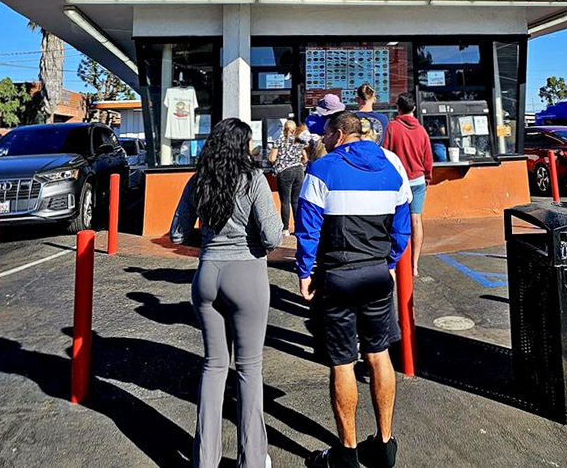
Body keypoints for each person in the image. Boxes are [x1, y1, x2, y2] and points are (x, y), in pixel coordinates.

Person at [295, 111, 411, 468]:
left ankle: (346, 454)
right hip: (377, 274)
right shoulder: (393, 170)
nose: (323, 141)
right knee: (379, 356)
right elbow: (402, 229)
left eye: (327, 135)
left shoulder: (323, 170)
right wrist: (389, 264)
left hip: (338, 277)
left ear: (341, 134)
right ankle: (385, 444)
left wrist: (303, 271)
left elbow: (308, 229)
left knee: (343, 363)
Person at [170, 118, 283, 468]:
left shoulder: (199, 180)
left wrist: (205, 243)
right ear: (241, 146)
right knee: (249, 370)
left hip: (207, 275)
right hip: (246, 274)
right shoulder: (253, 180)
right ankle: (251, 458)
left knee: (213, 366)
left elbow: (177, 234)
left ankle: (204, 459)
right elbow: (273, 236)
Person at [383, 93, 433, 277]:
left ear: (398, 108)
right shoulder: (421, 130)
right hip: (418, 180)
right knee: (416, 220)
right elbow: (428, 159)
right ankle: (415, 264)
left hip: (398, 182)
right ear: (414, 108)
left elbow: (386, 154)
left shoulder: (392, 127)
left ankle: (394, 262)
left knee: (395, 222)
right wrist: (428, 178)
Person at [268, 119, 307, 236]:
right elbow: (305, 157)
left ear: (284, 129)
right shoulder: (299, 141)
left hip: (284, 171)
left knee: (285, 201)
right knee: (296, 200)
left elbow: (272, 158)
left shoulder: (279, 141)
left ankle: (285, 228)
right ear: (295, 129)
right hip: (299, 171)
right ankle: (298, 226)